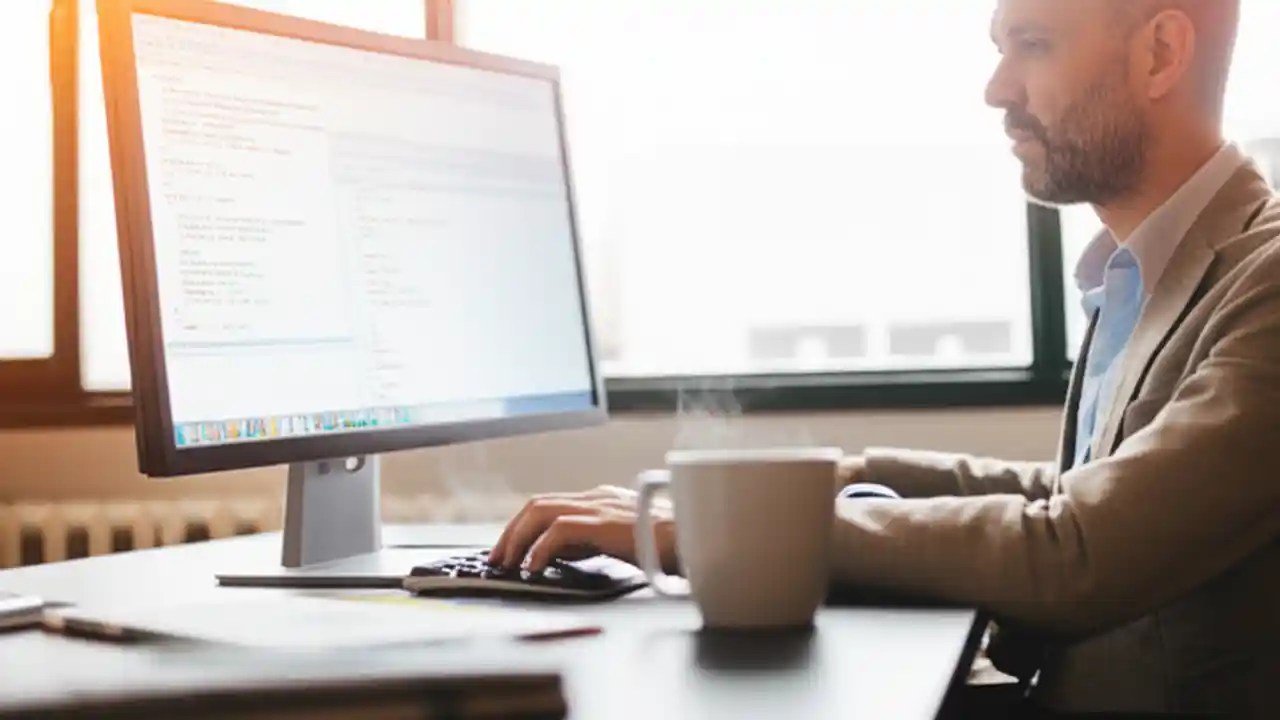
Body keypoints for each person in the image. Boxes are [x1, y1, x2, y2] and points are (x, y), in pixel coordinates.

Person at [488, 0, 1280, 715]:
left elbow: (1081, 549)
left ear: (1161, 54)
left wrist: (716, 532)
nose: (997, 89)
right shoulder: (1140, 272)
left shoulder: (1266, 280)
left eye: (1031, 45)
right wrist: (825, 478)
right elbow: (1077, 494)